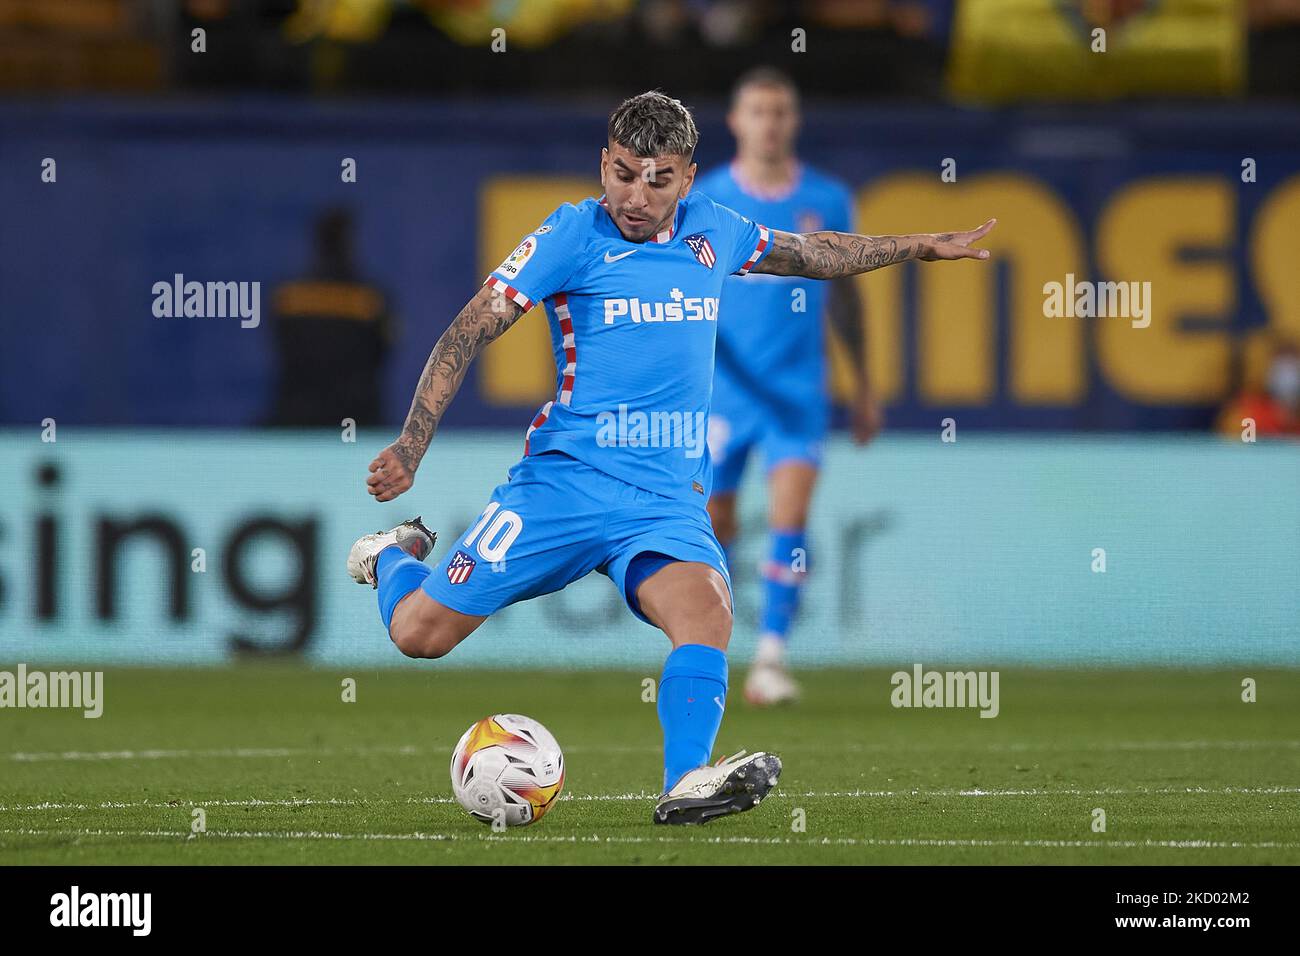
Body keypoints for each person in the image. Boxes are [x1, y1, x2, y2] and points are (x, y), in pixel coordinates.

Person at [347, 90, 995, 825]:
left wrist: (916, 246)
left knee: (708, 614)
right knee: (420, 635)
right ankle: (392, 555)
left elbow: (813, 253)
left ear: (688, 178)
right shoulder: (570, 234)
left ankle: (686, 781)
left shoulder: (713, 230)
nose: (636, 195)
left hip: (663, 499)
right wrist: (412, 442)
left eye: (658, 180)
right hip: (564, 486)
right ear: (604, 164)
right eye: (623, 174)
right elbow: (470, 330)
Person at [696, 67, 880, 705]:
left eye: (780, 111)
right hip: (723, 393)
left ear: (793, 122)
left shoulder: (827, 200)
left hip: (797, 393)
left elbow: (849, 299)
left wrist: (863, 383)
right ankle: (709, 643)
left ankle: (770, 657)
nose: (769, 123)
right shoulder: (707, 199)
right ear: (735, 121)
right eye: (758, 111)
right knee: (714, 525)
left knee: (790, 518)